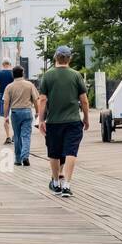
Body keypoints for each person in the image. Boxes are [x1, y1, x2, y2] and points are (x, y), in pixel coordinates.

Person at [36, 45, 89, 197]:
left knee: (54, 152)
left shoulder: (48, 75)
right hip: (73, 120)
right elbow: (84, 100)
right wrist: (85, 118)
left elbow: (43, 100)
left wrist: (41, 120)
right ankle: (67, 184)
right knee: (71, 151)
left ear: (55, 58)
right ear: (69, 59)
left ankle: (56, 183)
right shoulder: (76, 75)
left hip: (53, 121)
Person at [1, 65, 39, 167]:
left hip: (15, 113)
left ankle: (18, 159)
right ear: (23, 73)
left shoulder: (9, 87)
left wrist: (5, 116)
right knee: (26, 136)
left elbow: (6, 103)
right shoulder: (29, 85)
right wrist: (37, 113)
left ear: (13, 74)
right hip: (27, 112)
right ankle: (25, 156)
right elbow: (36, 99)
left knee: (17, 136)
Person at [0, 60, 15, 147]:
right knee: (14, 115)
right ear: (10, 64)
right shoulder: (13, 73)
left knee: (6, 117)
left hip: (3, 96)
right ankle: (15, 135)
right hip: (14, 95)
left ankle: (8, 136)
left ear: (3, 64)